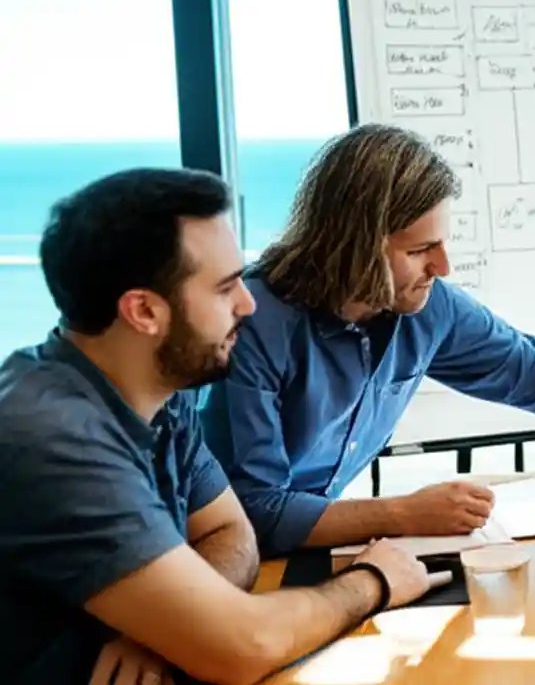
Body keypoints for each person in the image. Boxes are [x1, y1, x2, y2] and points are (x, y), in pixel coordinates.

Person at [0, 169, 437, 685]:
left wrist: (171, 628)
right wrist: (376, 581)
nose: (248, 305)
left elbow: (230, 531)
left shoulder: (158, 394)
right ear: (143, 311)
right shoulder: (53, 434)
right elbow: (242, 647)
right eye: (226, 287)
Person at [200, 123, 535, 557]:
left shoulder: (429, 306)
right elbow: (256, 512)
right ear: (357, 246)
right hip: (219, 562)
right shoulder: (253, 321)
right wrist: (403, 514)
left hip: (314, 550)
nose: (443, 266)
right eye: (420, 251)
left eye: (442, 244)